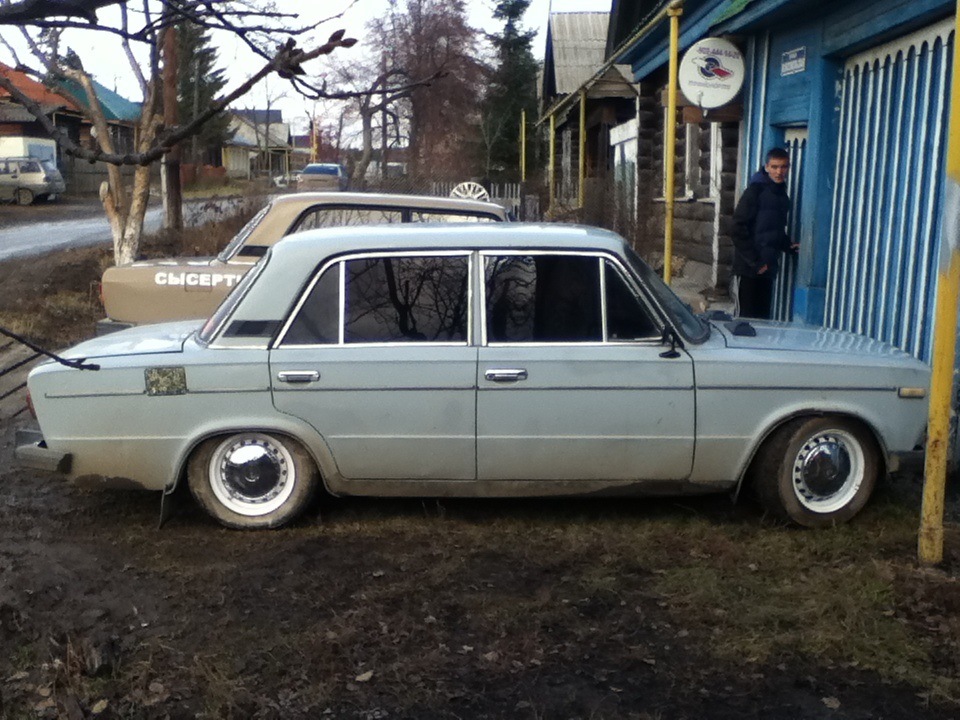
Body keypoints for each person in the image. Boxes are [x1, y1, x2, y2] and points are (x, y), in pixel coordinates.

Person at [730, 147, 796, 319]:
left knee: (762, 324)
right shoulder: (755, 191)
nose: (779, 171)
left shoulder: (781, 195)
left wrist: (788, 245)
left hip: (767, 268)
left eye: (783, 167)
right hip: (748, 269)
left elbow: (772, 230)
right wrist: (755, 262)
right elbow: (737, 228)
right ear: (766, 167)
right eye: (774, 167)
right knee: (743, 322)